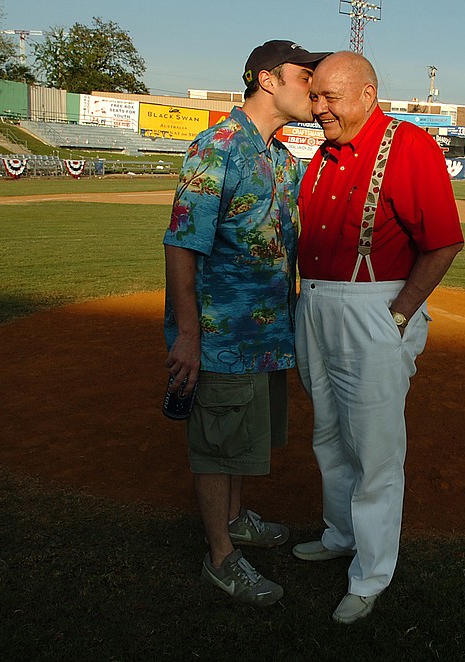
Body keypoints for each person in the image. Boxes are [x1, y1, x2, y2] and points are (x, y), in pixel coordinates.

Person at [292, 51, 465, 624]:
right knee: (328, 435)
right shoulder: (323, 154)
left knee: (375, 450)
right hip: (316, 303)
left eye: (329, 98)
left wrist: (399, 314)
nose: (318, 109)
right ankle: (341, 535)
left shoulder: (409, 145)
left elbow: (443, 240)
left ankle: (370, 575)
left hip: (373, 307)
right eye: (314, 97)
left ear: (367, 94)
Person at [162, 39, 327, 607]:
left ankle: (234, 519)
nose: (315, 86)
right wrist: (187, 334)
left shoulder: (280, 157)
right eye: (306, 76)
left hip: (264, 336)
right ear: (267, 79)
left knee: (241, 438)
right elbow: (183, 245)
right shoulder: (220, 147)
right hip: (220, 335)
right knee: (216, 443)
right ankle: (221, 557)